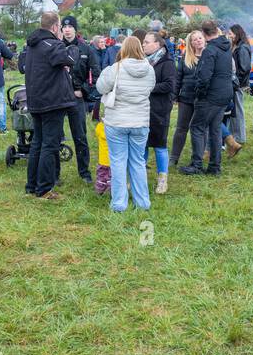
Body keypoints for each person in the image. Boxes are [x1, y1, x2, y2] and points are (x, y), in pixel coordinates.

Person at [94, 35, 155, 212]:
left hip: (117, 122)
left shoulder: (115, 69)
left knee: (118, 162)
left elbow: (100, 87)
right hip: (140, 121)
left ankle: (119, 203)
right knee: (137, 161)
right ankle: (142, 202)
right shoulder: (149, 70)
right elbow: (149, 89)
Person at [22, 12, 77, 200]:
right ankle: (44, 189)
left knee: (37, 143)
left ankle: (32, 185)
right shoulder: (52, 45)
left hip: (36, 100)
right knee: (49, 145)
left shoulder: (33, 44)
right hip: (52, 101)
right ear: (55, 27)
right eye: (60, 26)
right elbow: (70, 59)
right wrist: (64, 44)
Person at [180, 21, 234, 177]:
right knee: (215, 129)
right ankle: (214, 166)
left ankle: (196, 165)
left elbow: (204, 77)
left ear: (204, 34)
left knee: (197, 128)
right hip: (225, 93)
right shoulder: (226, 47)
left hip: (211, 96)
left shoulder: (210, 50)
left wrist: (200, 93)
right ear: (217, 30)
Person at [59, 16, 99, 185]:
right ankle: (55, 174)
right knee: (55, 137)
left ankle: (84, 172)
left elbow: (96, 73)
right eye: (64, 27)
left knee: (80, 136)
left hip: (76, 98)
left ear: (75, 29)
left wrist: (84, 90)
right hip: (58, 98)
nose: (67, 30)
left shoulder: (86, 49)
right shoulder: (56, 47)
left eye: (70, 27)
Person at [143, 30, 176, 194]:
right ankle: (139, 177)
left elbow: (170, 85)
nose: (143, 45)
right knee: (142, 144)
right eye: (143, 42)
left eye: (146, 42)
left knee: (159, 145)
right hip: (143, 109)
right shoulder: (143, 61)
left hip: (160, 109)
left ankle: (162, 179)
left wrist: (148, 88)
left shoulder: (167, 62)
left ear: (157, 44)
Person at [169, 30, 203, 167]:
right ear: (191, 43)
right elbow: (178, 79)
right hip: (186, 98)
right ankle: (173, 157)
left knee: (199, 129)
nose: (198, 40)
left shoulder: (209, 56)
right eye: (195, 39)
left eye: (200, 38)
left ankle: (197, 158)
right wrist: (174, 96)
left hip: (202, 99)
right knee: (181, 128)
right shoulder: (185, 58)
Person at [227, 25, 253, 146]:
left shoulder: (242, 48)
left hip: (237, 84)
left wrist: (237, 82)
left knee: (237, 110)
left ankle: (240, 137)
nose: (229, 35)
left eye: (231, 33)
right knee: (234, 110)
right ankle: (234, 134)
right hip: (234, 83)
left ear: (236, 34)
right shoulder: (237, 46)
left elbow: (245, 68)